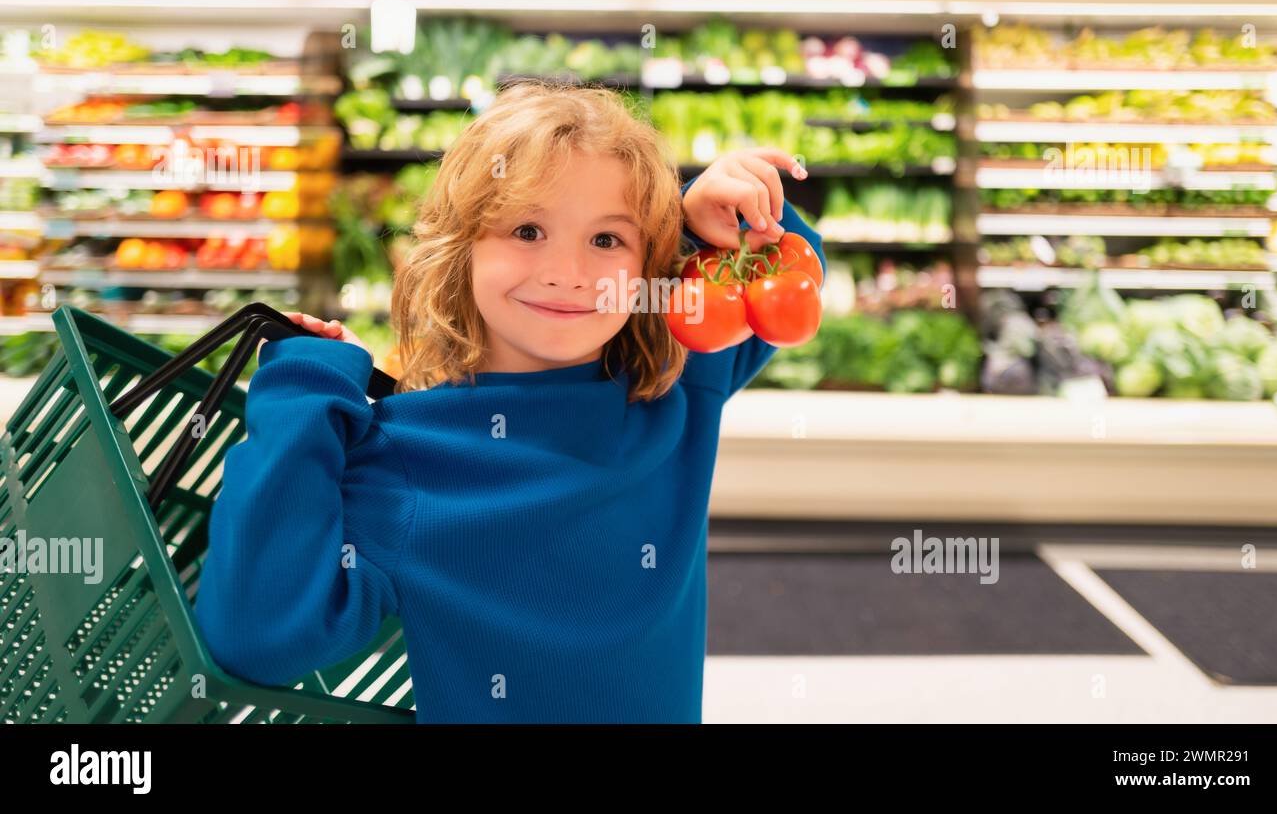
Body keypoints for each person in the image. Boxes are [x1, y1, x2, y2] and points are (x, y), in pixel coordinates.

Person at [194, 79, 826, 722]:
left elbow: (791, 276)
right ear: (460, 248)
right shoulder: (406, 458)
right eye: (527, 230)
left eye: (607, 240)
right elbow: (255, 638)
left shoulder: (673, 377)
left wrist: (704, 213)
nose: (567, 272)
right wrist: (309, 386)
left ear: (649, 270)